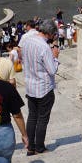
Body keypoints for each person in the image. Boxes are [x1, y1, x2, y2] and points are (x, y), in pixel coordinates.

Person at [19, 18, 60, 155]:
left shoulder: (27, 42)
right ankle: (40, 147)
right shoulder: (44, 47)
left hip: (30, 86)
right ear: (50, 33)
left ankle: (31, 147)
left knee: (32, 117)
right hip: (44, 87)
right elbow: (52, 70)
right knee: (42, 119)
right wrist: (55, 57)